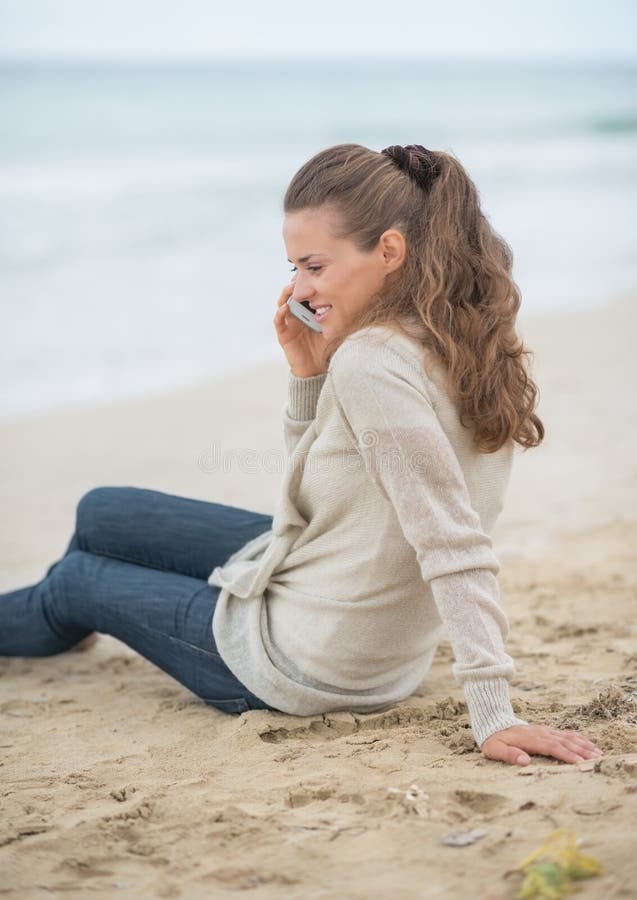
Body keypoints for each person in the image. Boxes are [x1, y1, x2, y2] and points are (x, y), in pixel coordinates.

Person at [1, 142, 603, 769]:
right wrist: (310, 374)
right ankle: (58, 624)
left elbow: (454, 542)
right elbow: (324, 491)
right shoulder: (464, 335)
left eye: (314, 266)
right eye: (294, 267)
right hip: (352, 608)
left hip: (313, 664)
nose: (299, 288)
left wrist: (493, 713)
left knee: (75, 582)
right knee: (103, 514)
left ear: (390, 251)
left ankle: (55, 618)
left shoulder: (372, 362)